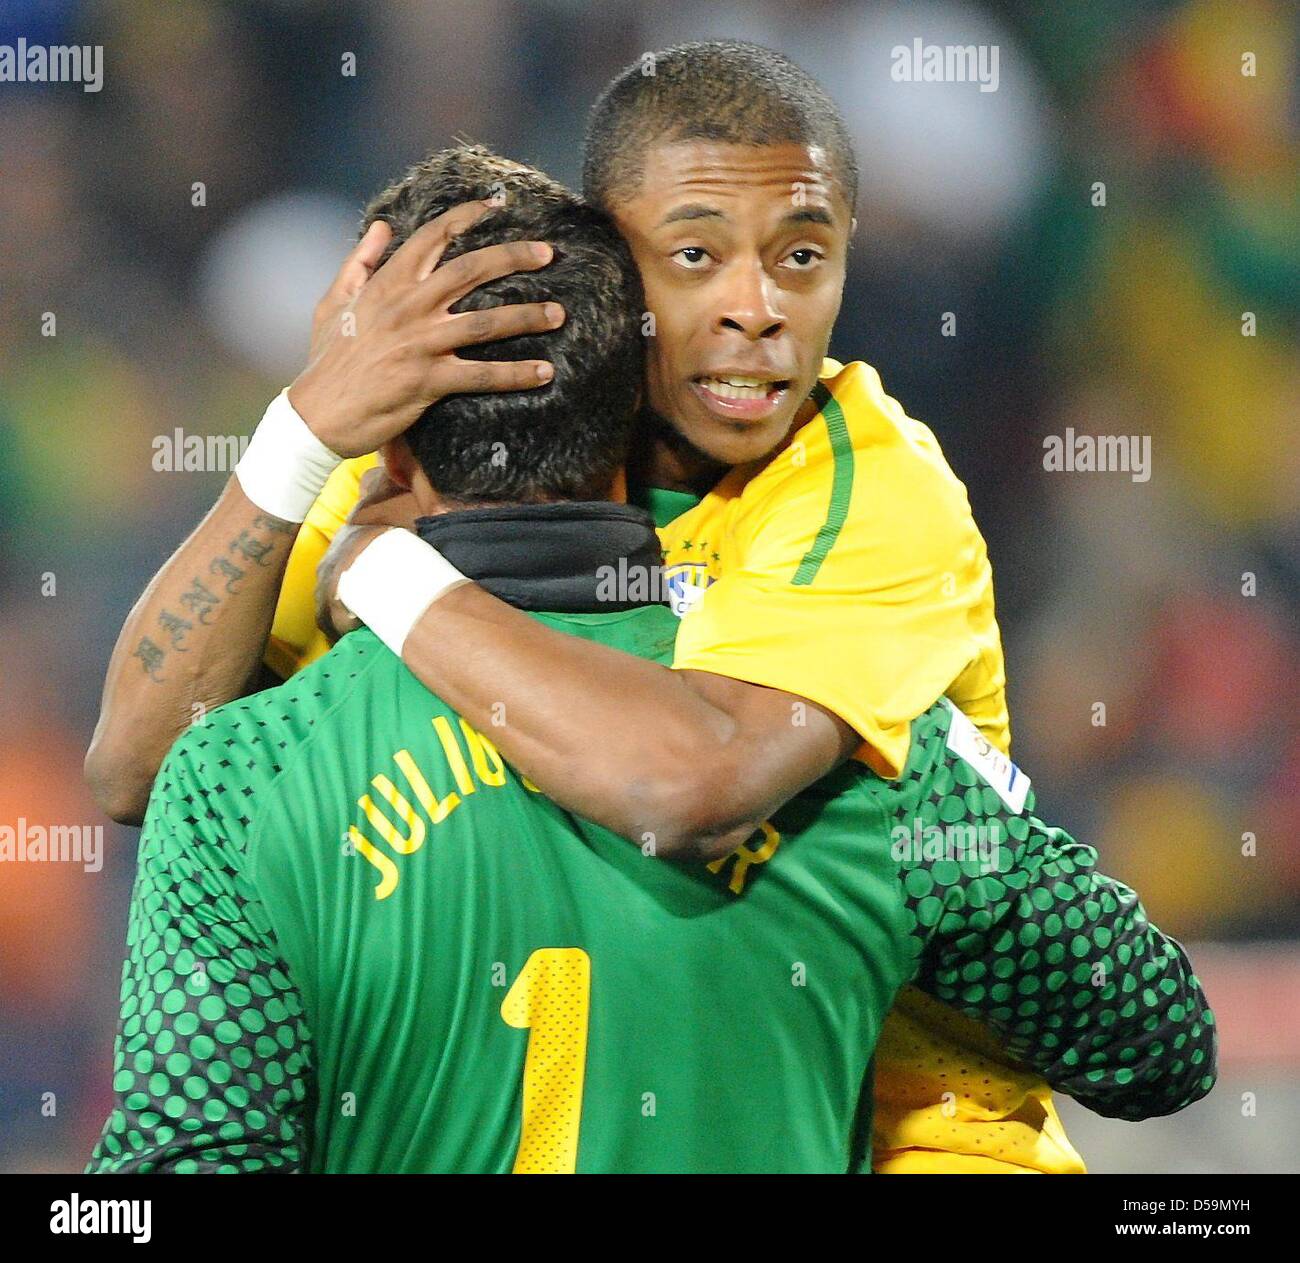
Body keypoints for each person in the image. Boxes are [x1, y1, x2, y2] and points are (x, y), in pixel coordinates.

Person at [87, 150, 1214, 1173]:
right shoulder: (847, 738)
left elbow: (181, 1169)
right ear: (638, 405)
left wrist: (303, 436)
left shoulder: (241, 777)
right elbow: (1156, 1038)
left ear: (383, 440)